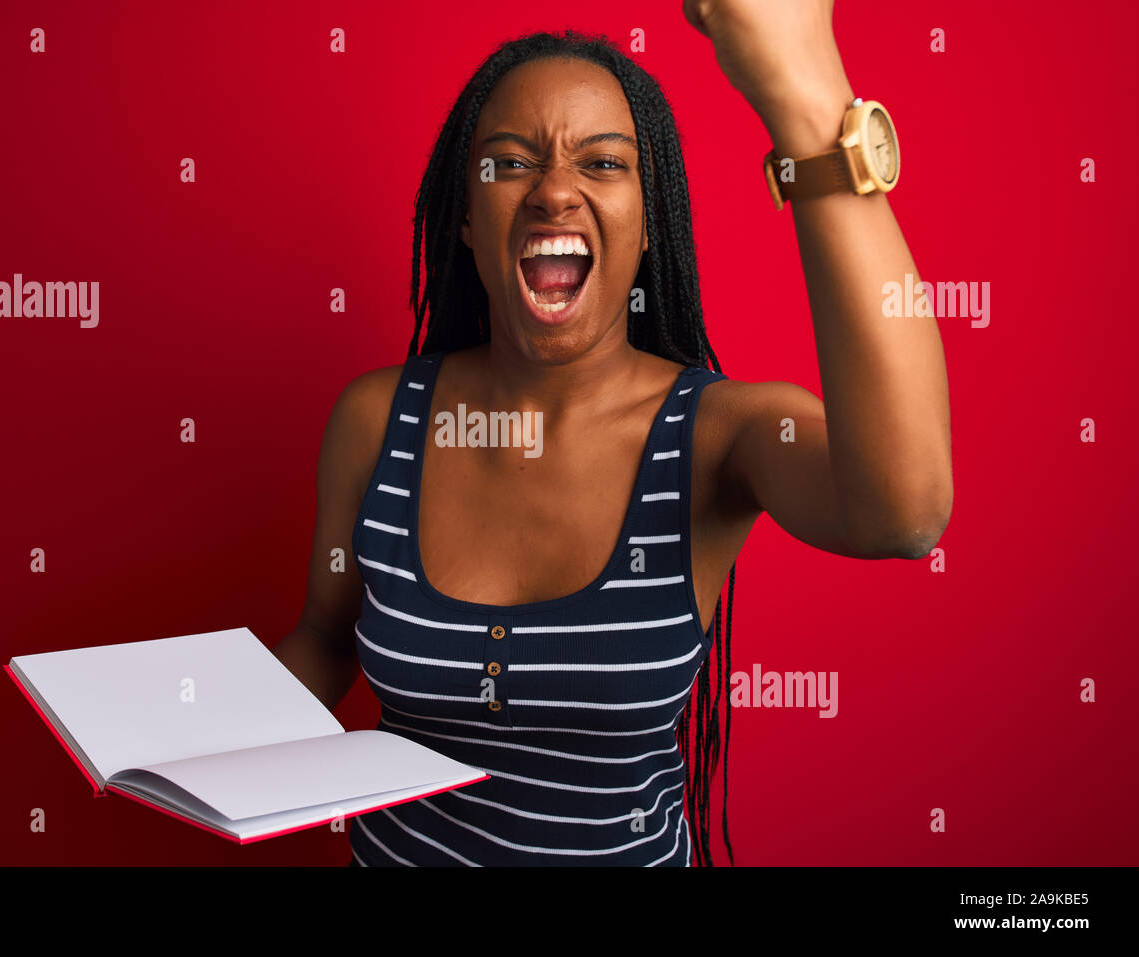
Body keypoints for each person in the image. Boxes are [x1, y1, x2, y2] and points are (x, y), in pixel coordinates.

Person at [274, 0, 952, 866]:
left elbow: (905, 512)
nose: (554, 188)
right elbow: (327, 639)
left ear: (647, 225)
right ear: (464, 220)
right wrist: (190, 726)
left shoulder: (716, 435)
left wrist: (808, 101)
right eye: (510, 162)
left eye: (603, 162)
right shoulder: (377, 419)